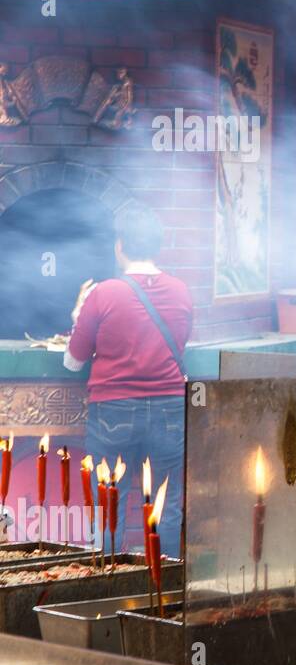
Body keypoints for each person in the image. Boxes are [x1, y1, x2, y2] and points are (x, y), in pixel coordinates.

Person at [65, 206, 193, 558]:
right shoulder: (181, 291)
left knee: (108, 506)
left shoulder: (103, 293)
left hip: (113, 410)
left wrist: (79, 315)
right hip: (169, 407)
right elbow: (180, 343)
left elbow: (74, 361)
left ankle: (104, 589)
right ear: (158, 247)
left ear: (119, 246)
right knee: (167, 507)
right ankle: (167, 593)